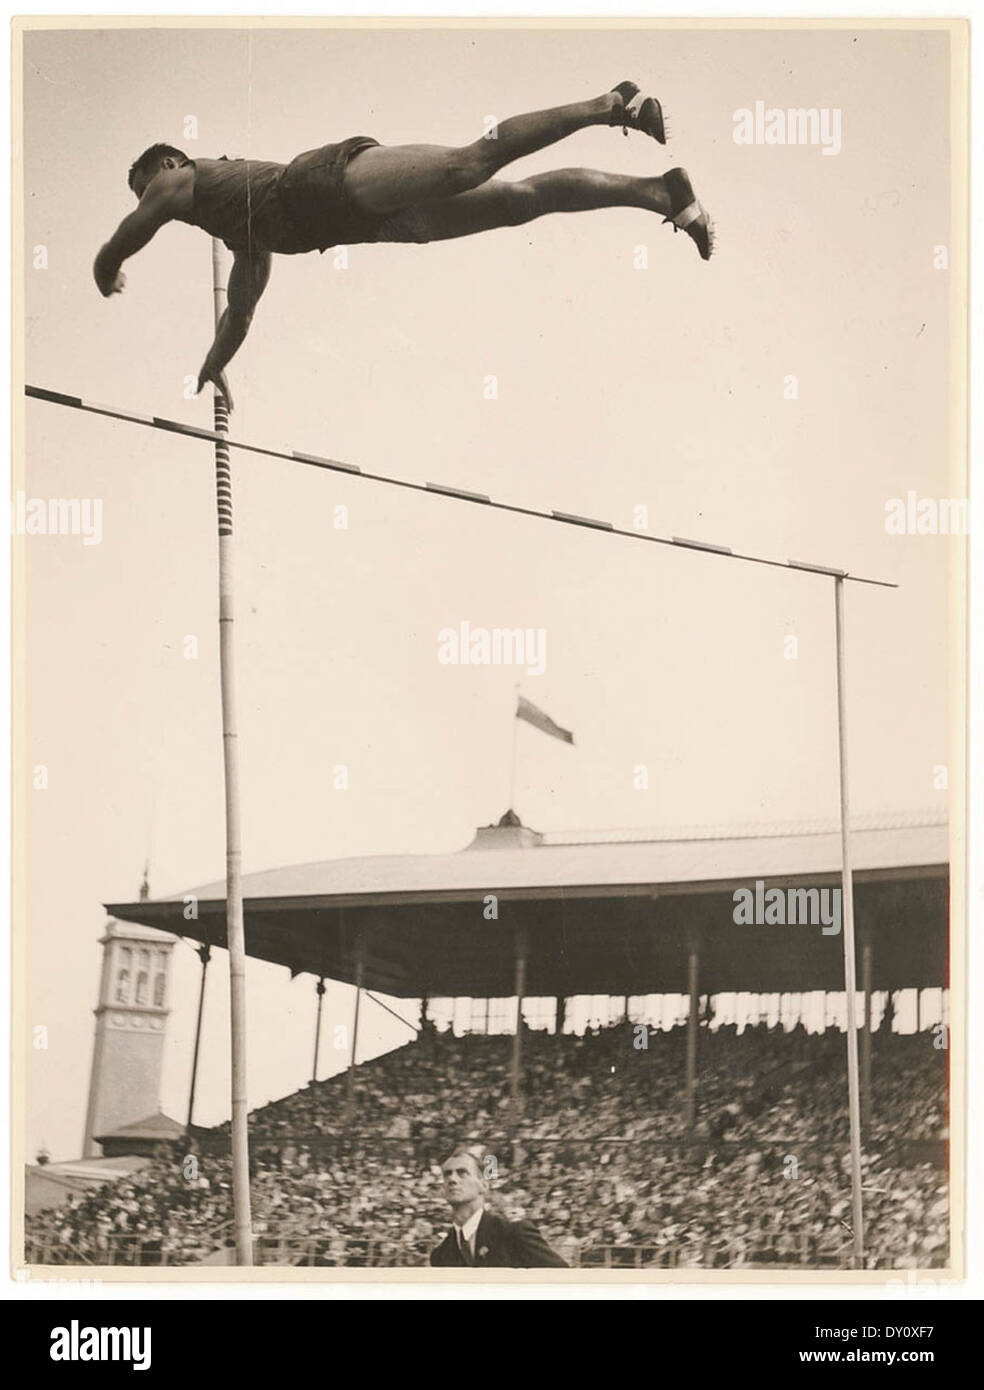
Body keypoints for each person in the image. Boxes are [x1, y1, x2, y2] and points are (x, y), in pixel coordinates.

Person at [93, 81, 714, 409]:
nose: (146, 202)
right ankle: (659, 194)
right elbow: (242, 309)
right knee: (519, 203)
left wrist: (106, 265)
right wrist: (213, 365)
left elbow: (135, 229)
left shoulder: (186, 178)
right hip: (370, 223)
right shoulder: (241, 234)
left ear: (170, 164)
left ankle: (611, 104)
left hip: (325, 179)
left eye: (142, 188)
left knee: (469, 164)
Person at [429, 1142, 567, 1268]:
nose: (452, 1179)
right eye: (447, 1174)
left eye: (462, 1173)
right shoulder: (440, 1255)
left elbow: (563, 1278)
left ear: (483, 1185)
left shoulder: (514, 1233)